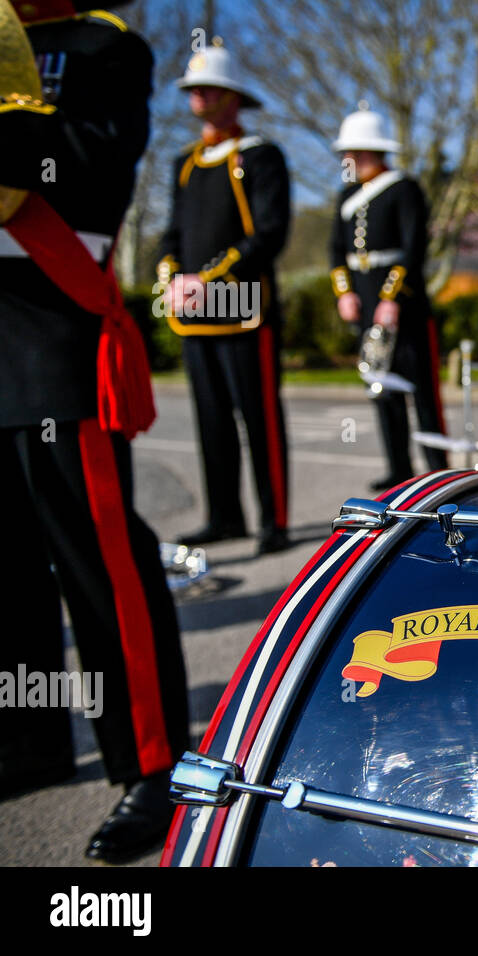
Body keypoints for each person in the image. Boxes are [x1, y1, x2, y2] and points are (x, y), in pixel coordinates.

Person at [0, 0, 189, 862]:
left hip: (50, 325)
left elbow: (94, 161)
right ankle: (30, 740)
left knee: (98, 559)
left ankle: (152, 761)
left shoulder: (102, 46)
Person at [157, 40, 291, 554]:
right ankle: (224, 516)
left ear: (233, 97)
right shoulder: (183, 164)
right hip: (193, 315)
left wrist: (206, 280)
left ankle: (273, 520)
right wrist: (171, 276)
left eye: (207, 88)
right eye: (192, 89)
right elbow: (171, 234)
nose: (197, 96)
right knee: (210, 417)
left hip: (243, 310)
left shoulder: (259, 156)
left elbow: (268, 234)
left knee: (258, 418)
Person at [329, 109, 447, 488]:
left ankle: (436, 469)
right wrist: (344, 292)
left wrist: (391, 296)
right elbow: (336, 250)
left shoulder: (403, 187)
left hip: (404, 301)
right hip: (364, 299)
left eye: (357, 152)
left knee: (421, 390)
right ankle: (399, 468)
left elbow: (414, 247)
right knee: (380, 386)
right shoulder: (346, 196)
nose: (351, 160)